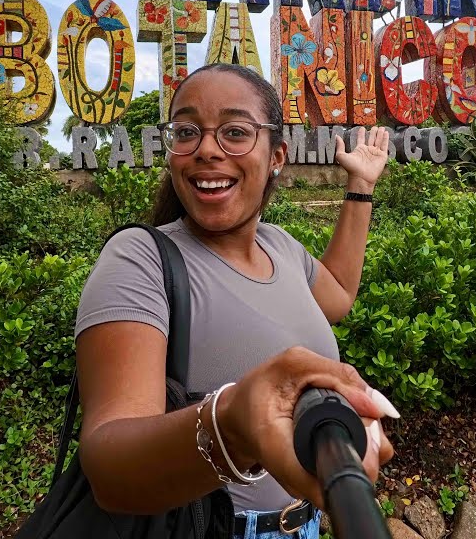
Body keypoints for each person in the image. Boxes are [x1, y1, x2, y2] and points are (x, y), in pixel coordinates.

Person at [74, 63, 398, 539]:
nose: (206, 149)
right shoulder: (139, 258)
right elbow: (108, 468)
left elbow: (340, 296)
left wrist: (361, 187)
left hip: (304, 526)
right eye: (187, 131)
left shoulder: (279, 245)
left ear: (277, 156)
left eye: (235, 132)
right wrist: (232, 424)